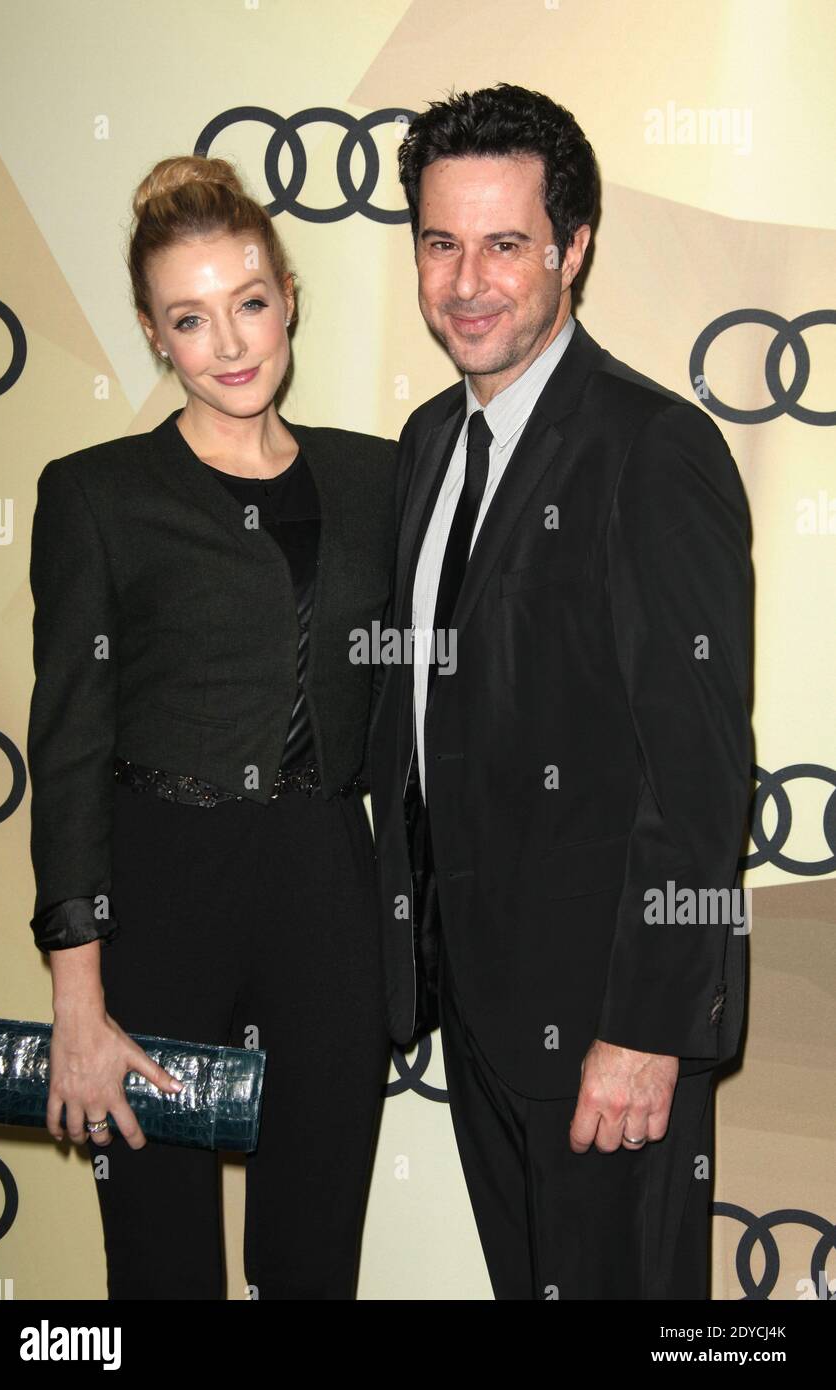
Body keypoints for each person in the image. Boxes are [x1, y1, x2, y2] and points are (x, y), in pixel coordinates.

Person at [368, 84, 752, 1299]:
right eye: (440, 242)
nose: (465, 280)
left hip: (605, 1029)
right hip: (479, 1013)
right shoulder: (430, 442)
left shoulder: (650, 449)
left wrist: (643, 1030)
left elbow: (695, 778)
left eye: (504, 244)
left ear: (572, 249)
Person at [26, 154, 397, 1300]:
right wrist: (77, 1005)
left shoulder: (382, 478)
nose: (230, 342)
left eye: (248, 302)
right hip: (163, 886)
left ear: (288, 295)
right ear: (152, 334)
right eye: (191, 318)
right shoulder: (98, 494)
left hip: (325, 885)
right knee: (158, 1255)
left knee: (311, 1252)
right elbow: (71, 748)